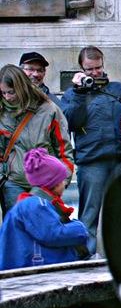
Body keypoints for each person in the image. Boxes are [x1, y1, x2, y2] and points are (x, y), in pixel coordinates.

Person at [58, 46, 121, 254]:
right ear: (81, 68)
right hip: (92, 161)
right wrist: (80, 93)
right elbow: (71, 122)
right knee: (89, 213)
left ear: (103, 64)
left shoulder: (119, 90)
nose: (94, 73)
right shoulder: (72, 95)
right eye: (89, 69)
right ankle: (86, 255)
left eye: (98, 68)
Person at [0, 64, 73, 216]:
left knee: (43, 231)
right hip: (12, 183)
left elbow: (64, 148)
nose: (7, 97)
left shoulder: (48, 109)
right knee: (18, 232)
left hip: (46, 185)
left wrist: (62, 181)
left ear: (22, 87)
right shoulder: (2, 111)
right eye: (3, 93)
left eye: (11, 92)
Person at [0, 148, 88, 269]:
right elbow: (53, 234)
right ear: (54, 183)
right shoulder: (36, 205)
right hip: (32, 271)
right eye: (62, 180)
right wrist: (79, 228)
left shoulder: (31, 204)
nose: (64, 183)